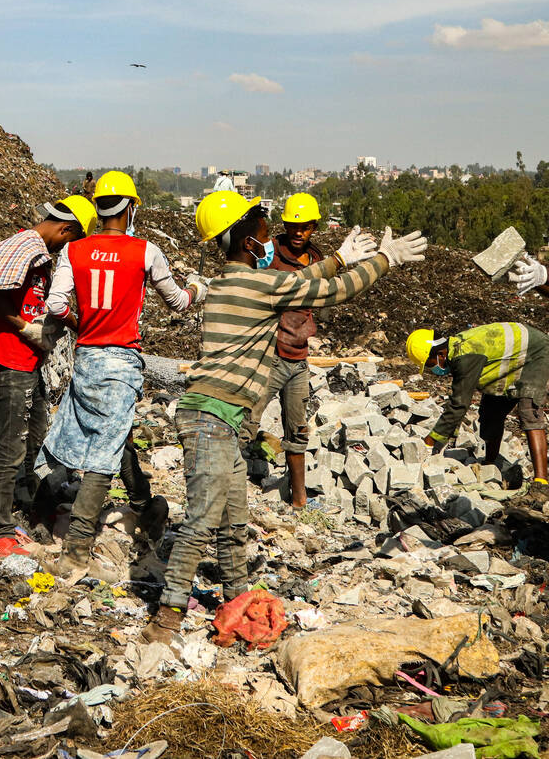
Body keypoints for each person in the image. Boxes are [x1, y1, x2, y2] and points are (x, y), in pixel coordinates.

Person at [141, 193, 426, 644]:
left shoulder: (227, 284)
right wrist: (384, 260)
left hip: (220, 419)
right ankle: (167, 618)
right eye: (261, 225)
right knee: (200, 521)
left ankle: (237, 597)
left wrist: (336, 258)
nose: (267, 233)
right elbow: (328, 292)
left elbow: (300, 282)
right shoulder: (262, 286)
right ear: (246, 238)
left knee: (234, 520)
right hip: (212, 419)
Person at [39, 170, 207, 573]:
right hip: (121, 364)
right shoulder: (146, 251)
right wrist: (200, 290)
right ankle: (77, 543)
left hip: (87, 360)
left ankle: (143, 507)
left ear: (98, 207)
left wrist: (84, 325)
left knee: (105, 437)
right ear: (130, 208)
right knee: (102, 456)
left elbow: (56, 305)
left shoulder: (74, 252)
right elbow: (179, 303)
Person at [0, 195, 97, 558]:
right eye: (71, 239)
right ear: (66, 228)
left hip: (29, 362)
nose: (68, 246)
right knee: (11, 443)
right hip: (11, 359)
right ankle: (1, 525)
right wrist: (27, 329)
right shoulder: (25, 249)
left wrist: (76, 326)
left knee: (33, 437)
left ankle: (26, 504)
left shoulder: (40, 254)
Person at [240, 192, 326, 508]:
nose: (298, 233)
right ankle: (226, 485)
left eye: (304, 227)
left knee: (298, 430)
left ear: (314, 227)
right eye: (293, 226)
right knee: (247, 420)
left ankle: (299, 499)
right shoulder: (270, 253)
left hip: (299, 357)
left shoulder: (317, 260)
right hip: (271, 356)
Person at [406, 324, 549, 486]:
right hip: (511, 360)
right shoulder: (456, 350)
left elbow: (459, 404)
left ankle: (541, 482)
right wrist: (448, 433)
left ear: (440, 353)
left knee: (529, 411)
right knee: (491, 413)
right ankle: (490, 465)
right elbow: (460, 397)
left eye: (430, 364)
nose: (432, 369)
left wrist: (430, 440)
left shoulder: (466, 356)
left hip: (535, 352)